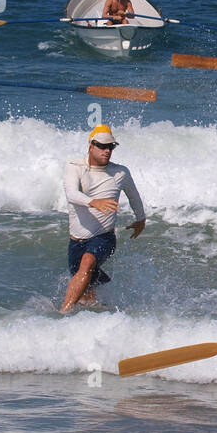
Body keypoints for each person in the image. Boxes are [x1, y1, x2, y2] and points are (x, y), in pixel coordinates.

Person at [61, 124, 146, 313]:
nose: (107, 151)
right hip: (76, 242)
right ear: (91, 146)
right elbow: (71, 194)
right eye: (102, 146)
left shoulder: (120, 172)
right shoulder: (74, 167)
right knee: (87, 296)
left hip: (104, 237)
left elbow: (134, 196)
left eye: (111, 147)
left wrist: (141, 219)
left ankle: (62, 313)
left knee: (88, 263)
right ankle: (103, 312)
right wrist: (94, 202)